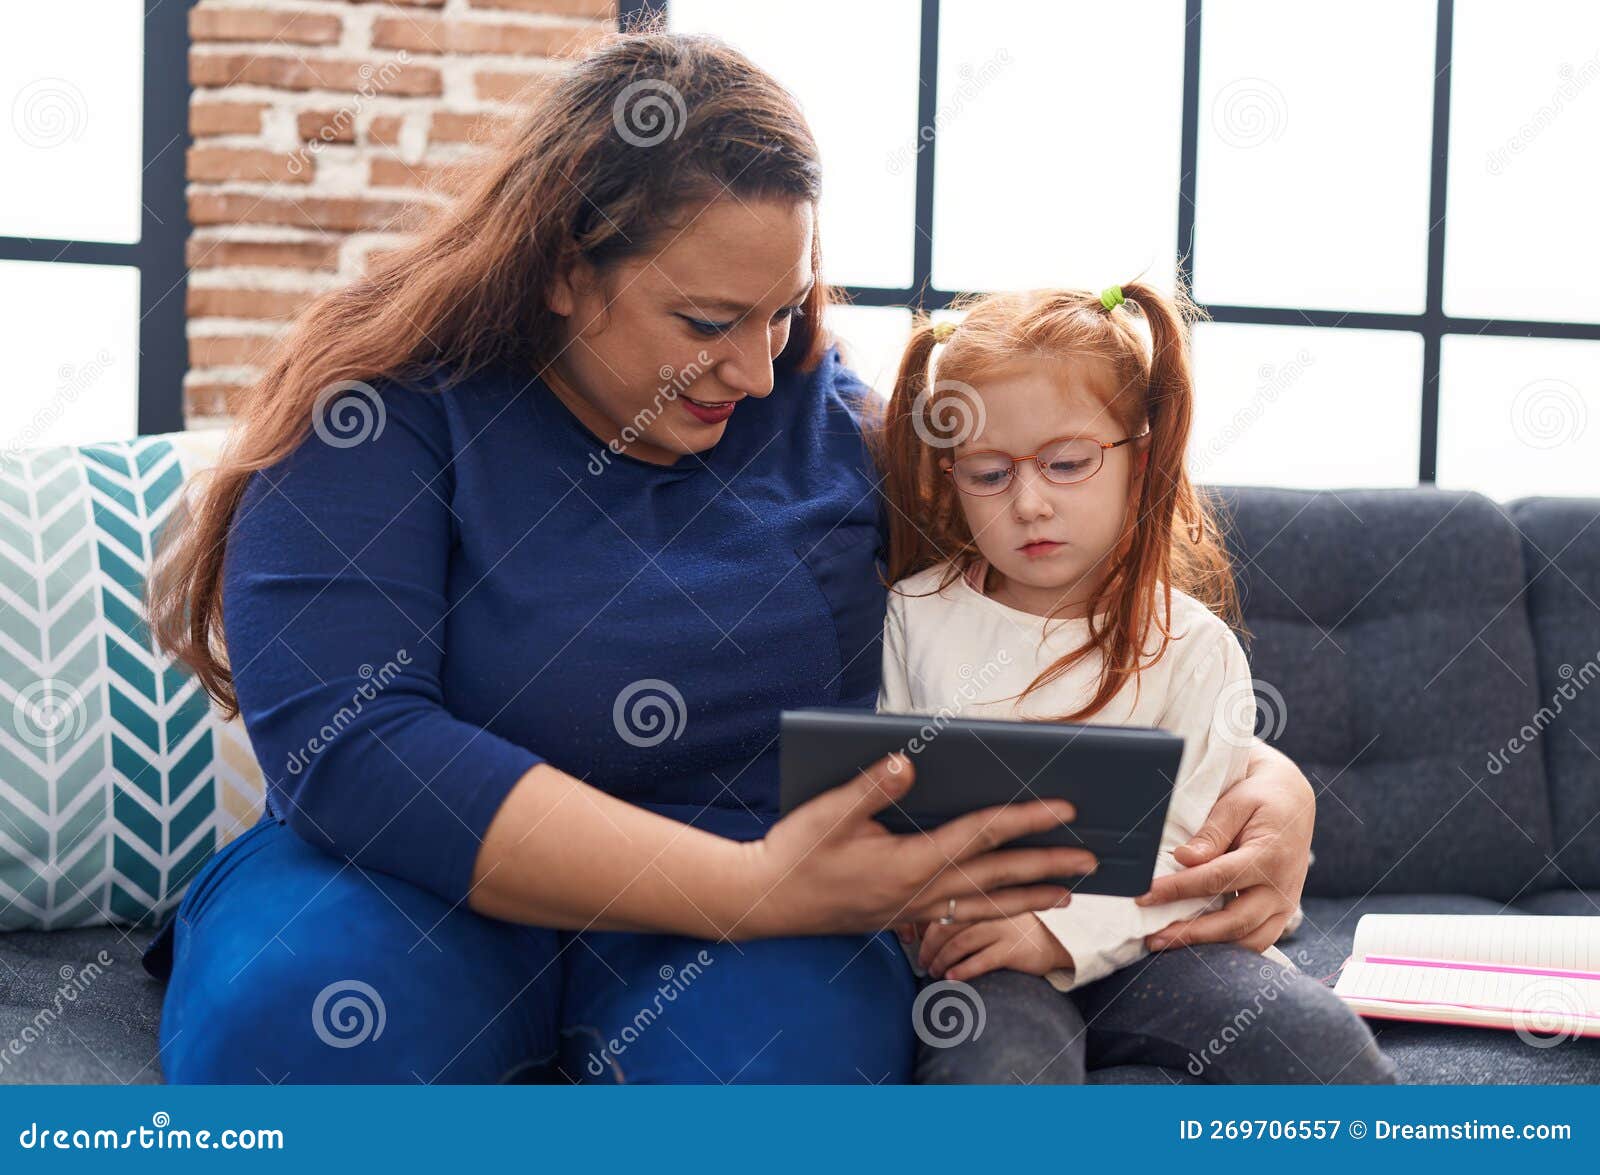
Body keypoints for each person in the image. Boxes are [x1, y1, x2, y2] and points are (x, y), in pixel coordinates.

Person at [142, 32, 1322, 1084]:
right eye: (706, 323)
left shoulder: (827, 409)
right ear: (562, 266)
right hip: (409, 877)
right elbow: (352, 747)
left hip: (761, 910)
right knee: (294, 1037)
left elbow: (1035, 620)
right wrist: (747, 884)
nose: (758, 369)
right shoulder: (383, 410)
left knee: (787, 1078)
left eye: (782, 310)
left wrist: (1265, 784)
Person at [872, 284, 1397, 1083]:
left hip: (1155, 939)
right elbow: (888, 799)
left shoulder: (1192, 645)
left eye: (1068, 463)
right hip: (986, 950)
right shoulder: (916, 613)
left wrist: (1055, 935)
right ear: (951, 475)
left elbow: (1190, 852)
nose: (1030, 502)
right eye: (988, 473)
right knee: (1004, 1073)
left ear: (1139, 457)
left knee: (1317, 1044)